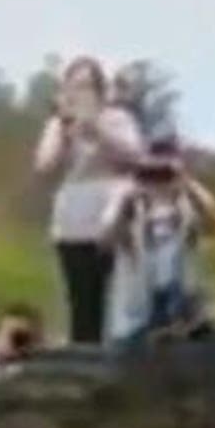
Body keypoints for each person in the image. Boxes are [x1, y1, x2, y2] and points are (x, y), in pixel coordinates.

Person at [33, 56, 146, 344]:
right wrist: (63, 128)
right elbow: (45, 165)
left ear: (100, 90)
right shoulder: (58, 125)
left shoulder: (117, 119)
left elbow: (134, 155)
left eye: (85, 87)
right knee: (82, 305)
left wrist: (95, 129)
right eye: (72, 86)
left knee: (116, 301)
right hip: (72, 222)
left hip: (111, 217)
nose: (78, 94)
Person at [101, 134, 215, 343]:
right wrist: (125, 206)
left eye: (164, 173)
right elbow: (105, 240)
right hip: (136, 317)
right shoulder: (126, 197)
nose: (158, 181)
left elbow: (214, 226)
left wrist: (187, 185)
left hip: (181, 308)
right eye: (151, 173)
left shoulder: (189, 201)